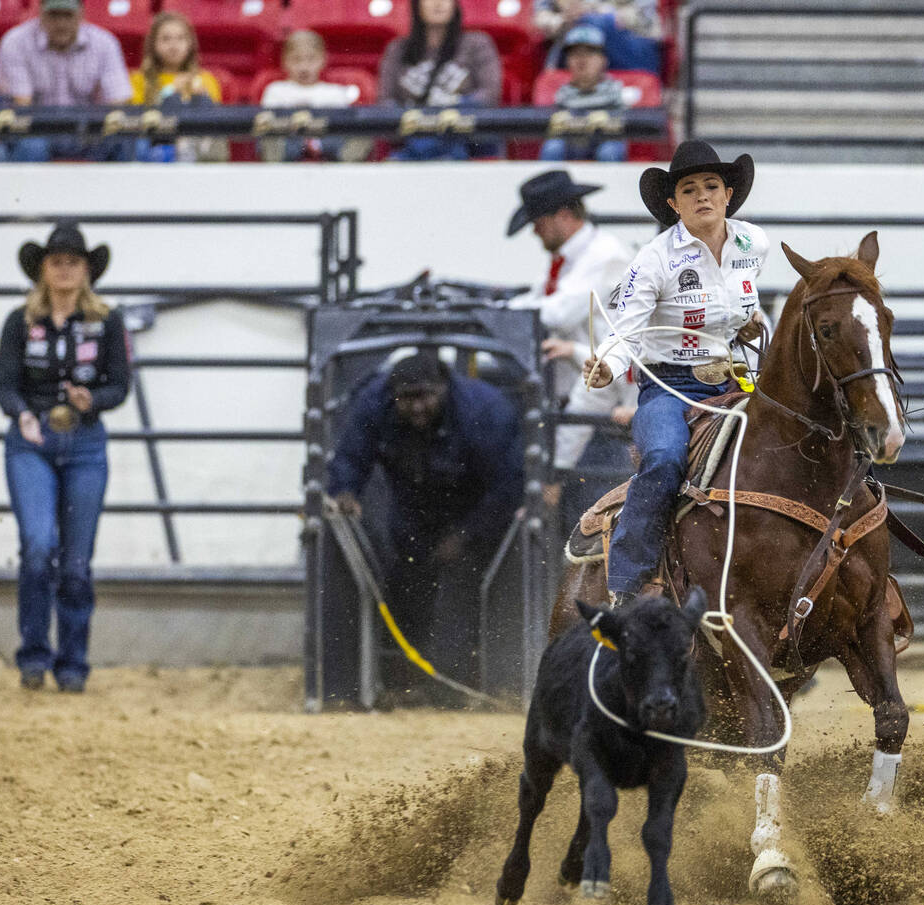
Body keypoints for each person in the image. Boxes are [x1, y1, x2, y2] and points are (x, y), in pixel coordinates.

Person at [581, 140, 770, 607]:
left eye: (711, 186)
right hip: (669, 386)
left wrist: (750, 324)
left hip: (735, 380)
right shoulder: (653, 259)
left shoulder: (753, 243)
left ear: (728, 194)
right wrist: (608, 366)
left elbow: (743, 305)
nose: (702, 195)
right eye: (689, 190)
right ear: (674, 204)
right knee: (665, 458)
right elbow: (626, 329)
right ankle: (626, 584)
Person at [327, 353, 523, 694]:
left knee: (461, 593)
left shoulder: (483, 410)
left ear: (443, 387)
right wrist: (345, 491)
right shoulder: (374, 403)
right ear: (392, 395)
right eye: (407, 398)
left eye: (425, 396)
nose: (417, 407)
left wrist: (466, 536)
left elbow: (508, 486)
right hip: (412, 512)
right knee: (406, 587)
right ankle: (403, 683)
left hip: (474, 513)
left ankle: (455, 686)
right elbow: (350, 455)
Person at [0, 224, 131, 692]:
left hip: (85, 443)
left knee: (75, 562)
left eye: (74, 261)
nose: (65, 269)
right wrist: (21, 414)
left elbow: (120, 385)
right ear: (43, 270)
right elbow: (4, 385)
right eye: (57, 261)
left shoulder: (108, 321)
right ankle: (34, 656)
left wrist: (94, 400)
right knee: (37, 546)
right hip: (31, 441)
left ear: (87, 269)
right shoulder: (19, 322)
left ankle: (72, 664)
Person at [505, 169, 636, 531]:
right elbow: (544, 301)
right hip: (587, 408)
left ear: (563, 216)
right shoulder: (577, 259)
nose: (535, 232)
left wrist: (503, 312)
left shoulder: (605, 256)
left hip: (605, 417)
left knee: (597, 517)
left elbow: (558, 312)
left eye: (539, 223)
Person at [0, 0, 133, 162]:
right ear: (41, 13)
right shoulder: (16, 41)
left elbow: (118, 102)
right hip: (35, 130)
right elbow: (22, 106)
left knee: (124, 139)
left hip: (89, 132)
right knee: (31, 145)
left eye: (67, 15)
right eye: (54, 15)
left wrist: (98, 126)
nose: (61, 23)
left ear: (81, 14)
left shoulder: (105, 43)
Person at [378, 0, 501, 161]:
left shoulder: (477, 44)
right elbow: (385, 102)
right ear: (416, 5)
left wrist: (451, 108)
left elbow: (489, 95)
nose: (438, 3)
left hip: (465, 139)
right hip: (413, 135)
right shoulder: (398, 50)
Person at [130, 11, 224, 163]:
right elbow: (136, 122)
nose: (174, 45)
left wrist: (200, 95)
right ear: (153, 44)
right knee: (171, 101)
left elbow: (215, 125)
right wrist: (170, 92)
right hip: (156, 151)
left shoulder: (206, 79)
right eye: (166, 39)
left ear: (190, 43)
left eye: (180, 38)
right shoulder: (139, 79)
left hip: (200, 153)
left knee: (203, 101)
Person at [260, 30, 362, 163]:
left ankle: (345, 170)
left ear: (323, 60)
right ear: (284, 61)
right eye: (296, 59)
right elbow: (267, 123)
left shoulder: (335, 92)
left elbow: (340, 127)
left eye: (311, 59)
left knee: (361, 132)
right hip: (287, 146)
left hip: (329, 146)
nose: (304, 67)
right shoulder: (275, 90)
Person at [539, 23, 627, 163]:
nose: (582, 60)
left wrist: (608, 120)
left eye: (589, 53)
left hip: (605, 140)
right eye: (575, 54)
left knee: (609, 151)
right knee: (553, 148)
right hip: (569, 142)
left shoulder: (617, 91)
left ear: (603, 59)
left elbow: (626, 124)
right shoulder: (559, 94)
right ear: (567, 60)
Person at [535, 1, 662, 75]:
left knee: (598, 23)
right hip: (571, 32)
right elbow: (541, 18)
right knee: (582, 27)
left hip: (627, 39)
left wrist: (605, 14)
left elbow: (646, 18)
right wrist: (563, 20)